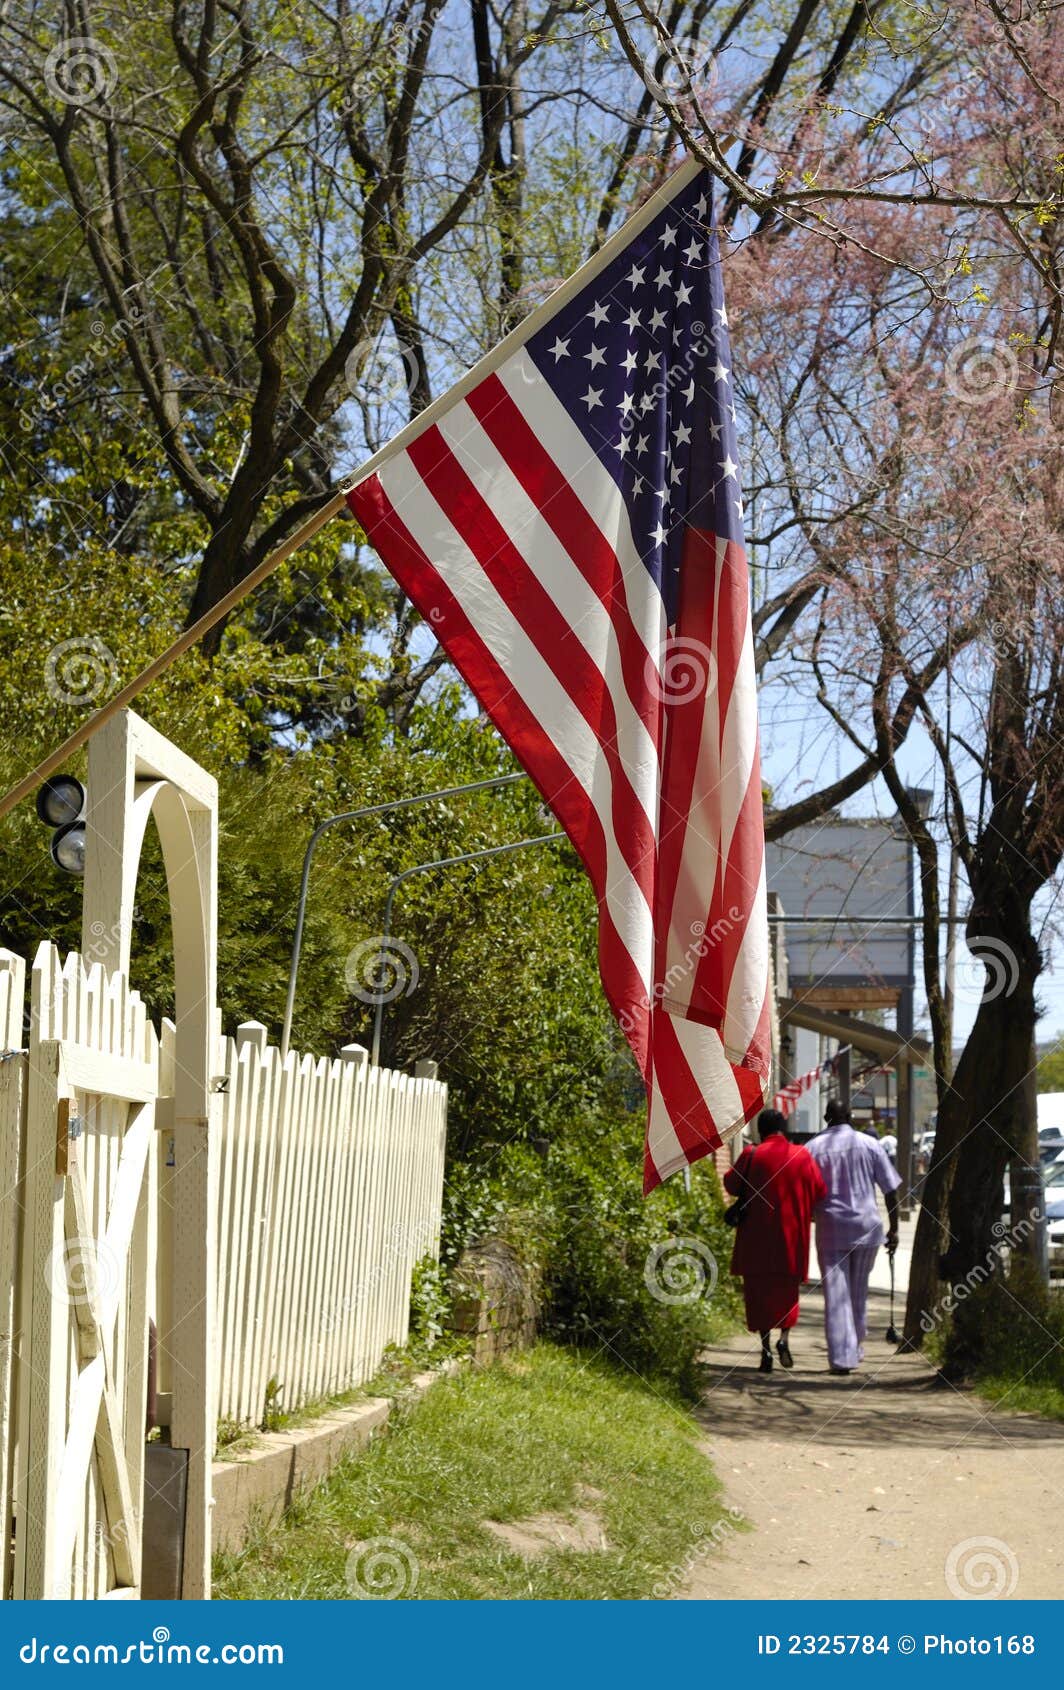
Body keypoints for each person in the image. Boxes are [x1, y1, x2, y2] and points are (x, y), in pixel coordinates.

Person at [723, 1108, 826, 1374]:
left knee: (758, 1297)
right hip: (791, 1241)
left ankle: (766, 1349)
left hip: (755, 1241)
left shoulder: (752, 1154)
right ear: (784, 1129)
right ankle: (784, 1339)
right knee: (787, 1295)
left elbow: (731, 1185)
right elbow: (820, 1189)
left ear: (760, 1130)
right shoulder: (802, 1155)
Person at [807, 1098, 901, 1375]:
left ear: (826, 1118)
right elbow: (891, 1190)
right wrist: (893, 1228)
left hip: (831, 1227)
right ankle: (856, 1346)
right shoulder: (870, 1145)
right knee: (858, 1292)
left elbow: (805, 1189)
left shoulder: (812, 1148)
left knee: (837, 1294)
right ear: (851, 1116)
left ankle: (842, 1357)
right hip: (866, 1227)